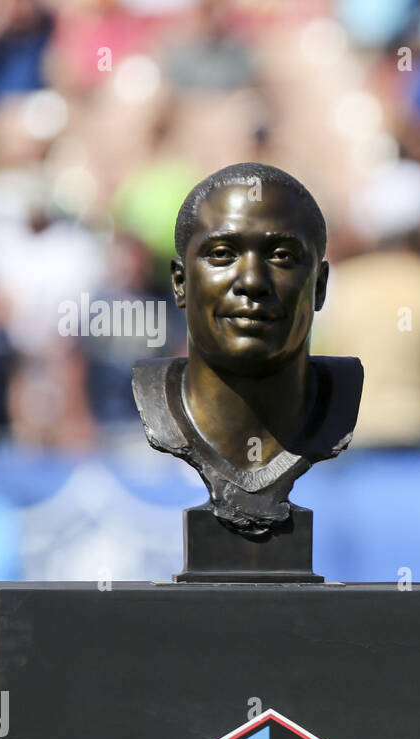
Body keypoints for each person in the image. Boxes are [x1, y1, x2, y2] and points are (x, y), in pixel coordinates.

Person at [132, 162, 361, 535]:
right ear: (180, 283)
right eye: (222, 253)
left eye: (282, 256)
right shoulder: (159, 403)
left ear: (318, 286)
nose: (253, 281)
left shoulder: (337, 403)